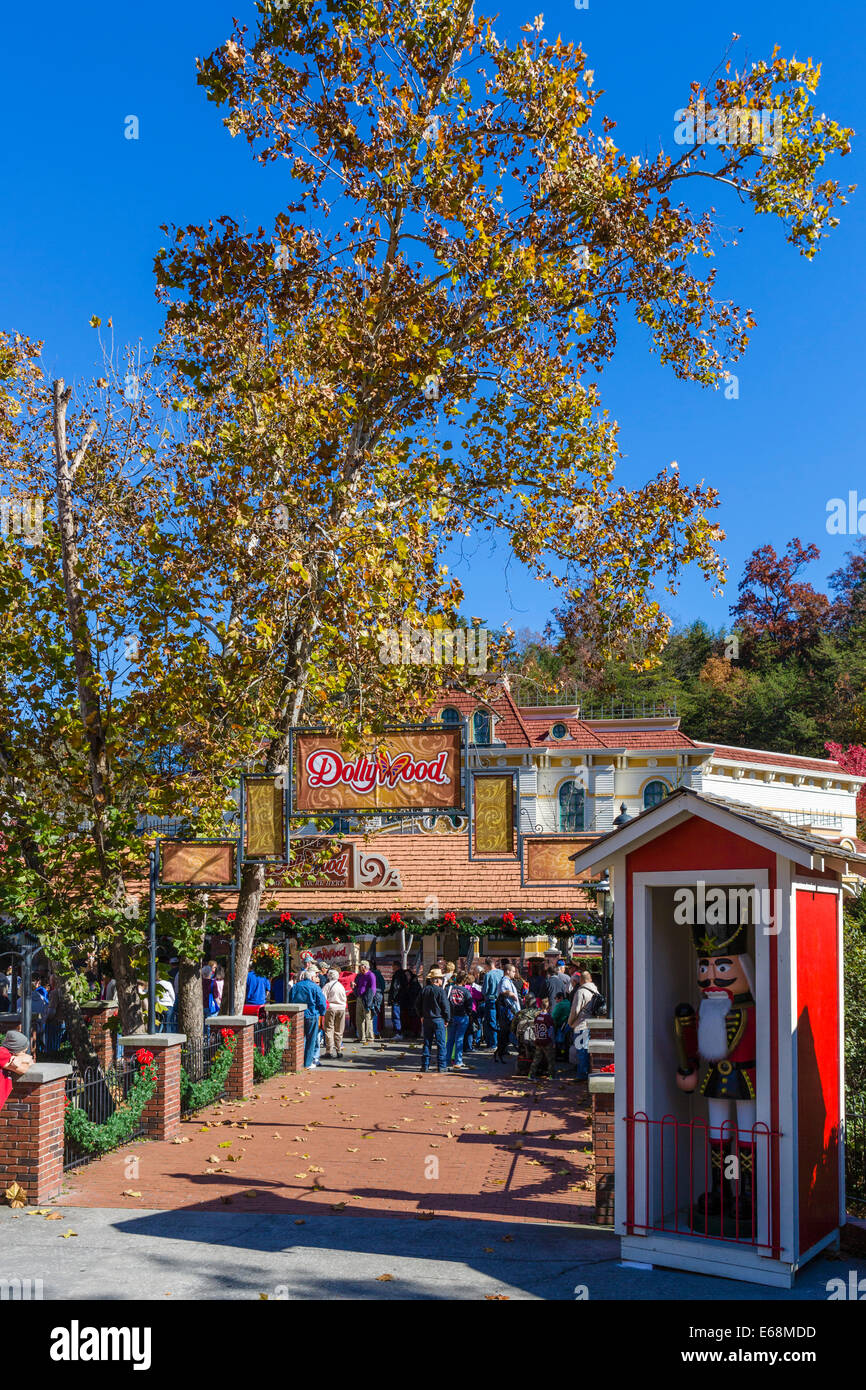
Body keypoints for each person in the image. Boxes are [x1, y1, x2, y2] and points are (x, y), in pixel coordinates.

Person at [291, 968, 328, 1069]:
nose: (316, 978)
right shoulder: (315, 987)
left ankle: (298, 1061)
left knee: (299, 1038)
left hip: (297, 1016)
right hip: (312, 1015)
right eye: (315, 976)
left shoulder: (296, 986)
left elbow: (290, 1000)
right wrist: (322, 1013)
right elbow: (322, 1002)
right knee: (311, 1040)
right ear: (312, 977)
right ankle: (307, 1063)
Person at [568, 971, 600, 1081]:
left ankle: (582, 1074)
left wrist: (570, 1022)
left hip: (581, 1024)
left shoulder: (581, 991)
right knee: (586, 1050)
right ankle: (585, 1072)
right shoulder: (595, 990)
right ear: (590, 979)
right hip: (592, 1023)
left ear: (581, 980)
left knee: (581, 1050)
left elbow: (575, 1010)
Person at [420, 967, 451, 1073]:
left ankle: (425, 1065)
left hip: (427, 1019)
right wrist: (447, 1019)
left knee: (427, 1042)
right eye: (441, 979)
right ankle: (442, 1066)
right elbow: (445, 1006)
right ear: (437, 980)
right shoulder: (440, 991)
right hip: (438, 1019)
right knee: (441, 1043)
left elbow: (416, 1004)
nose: (442, 981)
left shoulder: (424, 990)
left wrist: (421, 1015)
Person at [445, 971, 473, 1070]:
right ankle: (458, 1060)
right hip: (462, 1017)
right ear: (464, 980)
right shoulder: (466, 991)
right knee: (459, 1039)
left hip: (451, 1017)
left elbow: (445, 1002)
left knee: (450, 1040)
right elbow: (469, 1006)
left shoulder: (448, 989)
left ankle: (447, 1059)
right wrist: (468, 1013)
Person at [0, 1030, 34, 1113]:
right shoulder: (2, 1053)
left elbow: (28, 1060)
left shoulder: (8, 1055)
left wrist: (20, 1058)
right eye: (23, 1051)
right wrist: (25, 1059)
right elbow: (22, 1070)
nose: (24, 1054)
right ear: (15, 1048)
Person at [494, 964, 521, 1062]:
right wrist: (511, 994)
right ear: (508, 971)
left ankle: (502, 1051)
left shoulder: (508, 981)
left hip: (510, 1011)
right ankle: (518, 1049)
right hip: (509, 1012)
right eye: (513, 971)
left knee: (508, 1033)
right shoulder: (505, 981)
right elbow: (503, 991)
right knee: (511, 1032)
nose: (514, 973)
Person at [323, 969, 348, 1059]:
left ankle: (329, 1051)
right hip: (341, 1009)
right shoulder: (341, 986)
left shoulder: (327, 986)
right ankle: (339, 1050)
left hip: (331, 1008)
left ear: (329, 976)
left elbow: (323, 998)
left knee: (329, 1029)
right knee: (339, 1030)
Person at [528, 1004, 556, 1079]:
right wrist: (553, 1042)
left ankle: (531, 1075)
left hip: (538, 1040)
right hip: (547, 1041)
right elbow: (551, 1031)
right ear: (548, 1007)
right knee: (550, 1060)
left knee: (536, 1059)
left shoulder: (537, 1017)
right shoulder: (548, 1018)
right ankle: (551, 1076)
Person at [481, 957, 503, 1049]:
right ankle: (501, 1042)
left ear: (487, 965)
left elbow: (485, 990)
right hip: (501, 1000)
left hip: (491, 999)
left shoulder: (488, 975)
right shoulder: (501, 972)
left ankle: (493, 1043)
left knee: (491, 1021)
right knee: (500, 1022)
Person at [354, 960, 377, 1043]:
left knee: (368, 1018)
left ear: (366, 967)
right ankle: (361, 1037)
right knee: (359, 1019)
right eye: (360, 966)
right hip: (359, 998)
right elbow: (356, 985)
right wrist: (354, 987)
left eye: (362, 966)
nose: (360, 968)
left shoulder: (371, 975)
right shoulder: (359, 975)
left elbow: (373, 989)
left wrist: (369, 1001)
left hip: (367, 999)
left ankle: (370, 1037)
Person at [389, 965, 409, 1038]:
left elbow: (395, 987)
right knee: (400, 1016)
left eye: (393, 967)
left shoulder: (397, 975)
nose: (392, 969)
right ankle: (401, 1031)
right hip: (403, 998)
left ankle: (398, 1032)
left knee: (396, 1016)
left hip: (397, 999)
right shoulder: (403, 975)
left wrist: (393, 998)